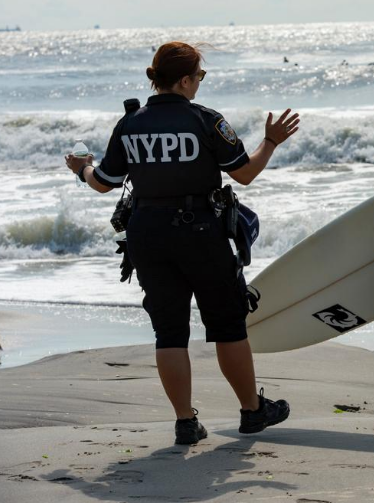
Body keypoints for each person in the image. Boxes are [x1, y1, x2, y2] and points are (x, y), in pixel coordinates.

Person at [64, 42, 299, 445]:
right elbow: (243, 174)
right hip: (200, 232)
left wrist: (81, 167)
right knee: (227, 326)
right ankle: (252, 410)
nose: (199, 85)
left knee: (169, 331)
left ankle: (185, 422)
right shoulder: (205, 120)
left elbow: (103, 182)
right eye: (200, 77)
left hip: (147, 234)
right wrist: (271, 141)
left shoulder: (131, 123)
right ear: (186, 79)